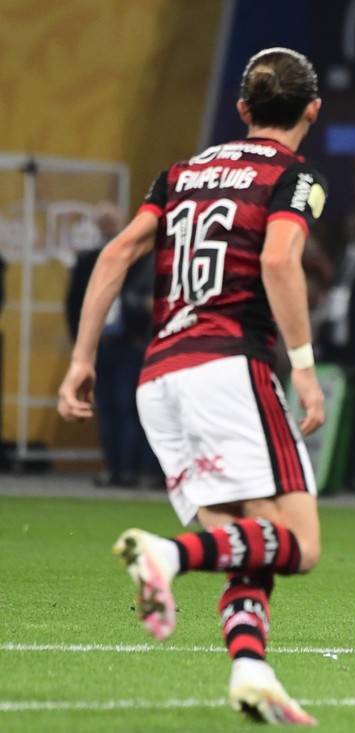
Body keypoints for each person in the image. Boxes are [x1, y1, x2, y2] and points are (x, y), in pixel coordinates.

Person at [57, 47, 328, 724]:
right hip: (228, 365)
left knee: (246, 539)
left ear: (242, 110)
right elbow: (279, 258)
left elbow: (116, 253)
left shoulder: (180, 173)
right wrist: (302, 365)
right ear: (312, 111)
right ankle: (166, 555)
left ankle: (250, 671)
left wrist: (81, 359)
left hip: (160, 377)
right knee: (300, 543)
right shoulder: (293, 176)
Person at [65, 202, 156, 488]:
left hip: (129, 344)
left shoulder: (141, 258)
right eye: (102, 220)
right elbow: (73, 304)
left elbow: (148, 298)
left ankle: (131, 469)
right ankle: (114, 468)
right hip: (100, 345)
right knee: (105, 407)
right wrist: (81, 347)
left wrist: (141, 334)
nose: (107, 225)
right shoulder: (88, 261)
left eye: (111, 219)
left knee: (128, 405)